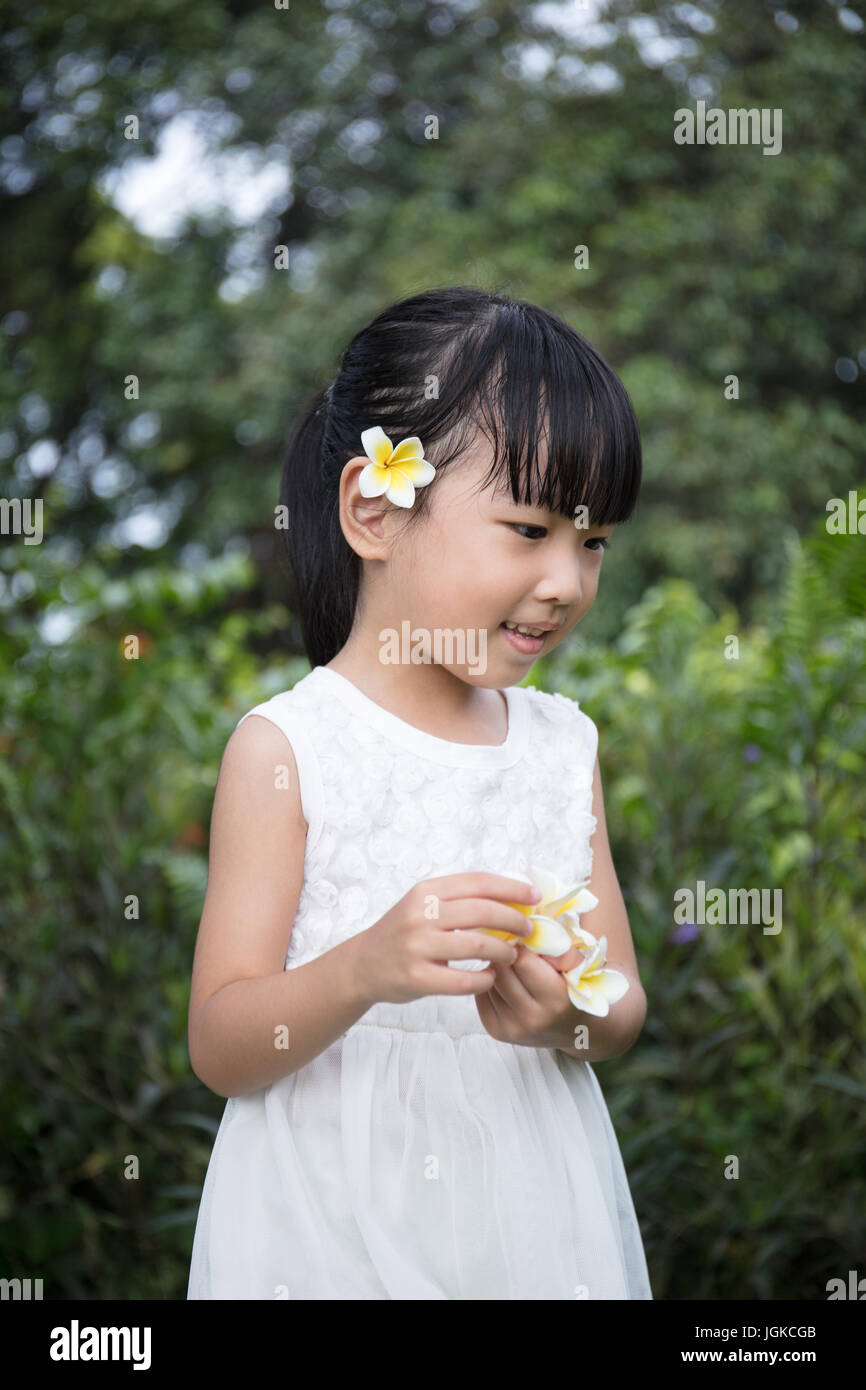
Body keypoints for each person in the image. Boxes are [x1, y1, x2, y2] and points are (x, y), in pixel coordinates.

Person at [186, 285, 653, 1299]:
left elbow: (617, 1008)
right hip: (324, 1216)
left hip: (526, 1210)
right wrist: (363, 969)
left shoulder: (558, 747)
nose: (567, 580)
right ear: (375, 508)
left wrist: (562, 1014)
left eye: (593, 542)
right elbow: (224, 1043)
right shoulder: (289, 748)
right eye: (528, 530)